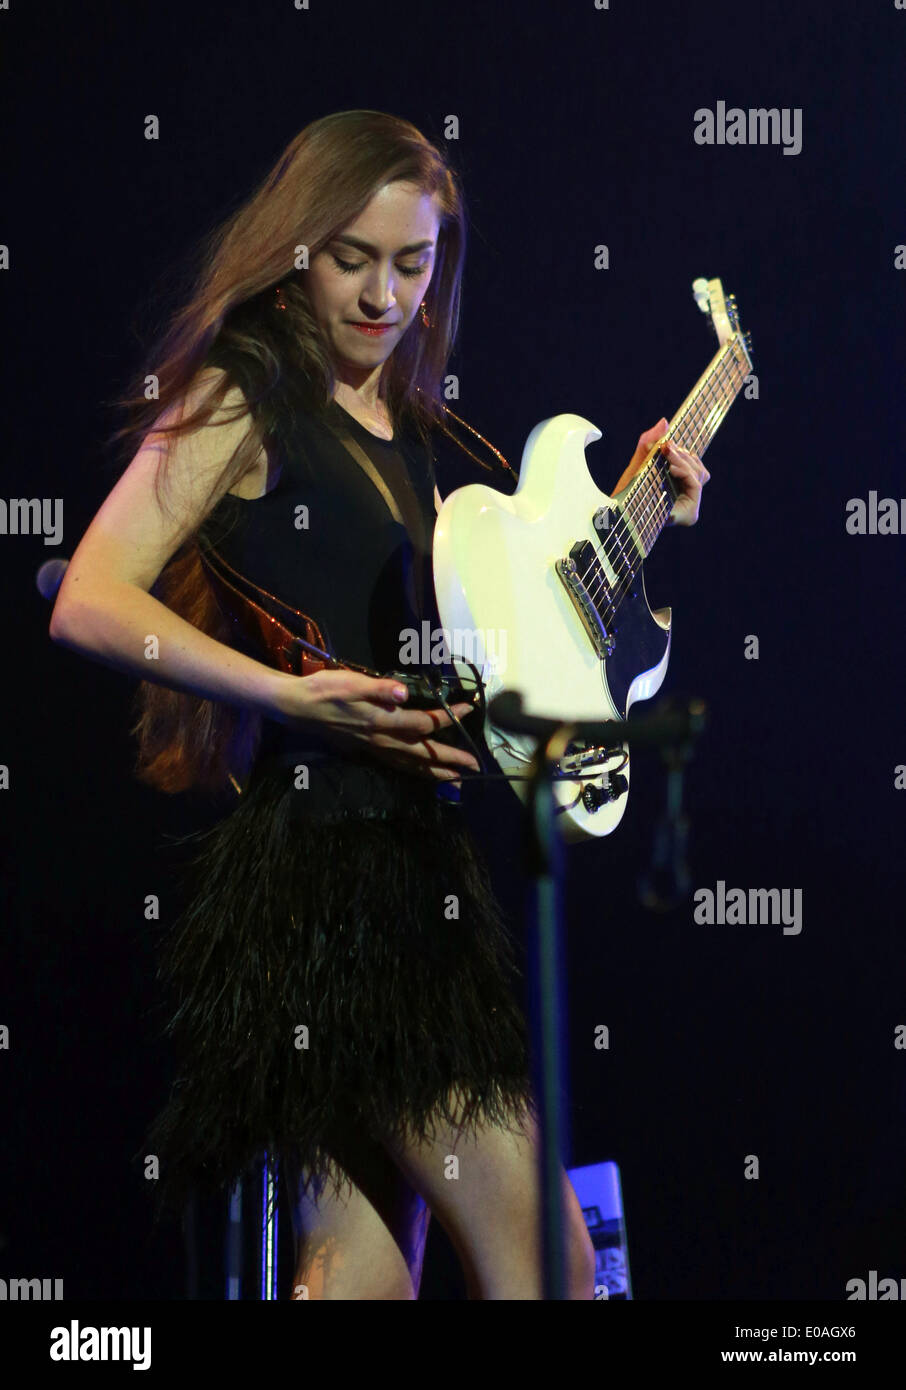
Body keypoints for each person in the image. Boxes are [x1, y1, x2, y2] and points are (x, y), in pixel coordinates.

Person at [48, 110, 709, 1300]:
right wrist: (289, 693)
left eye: (415, 264)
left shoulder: (413, 426)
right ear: (299, 244)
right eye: (354, 256)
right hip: (339, 886)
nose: (384, 293)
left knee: (356, 1279)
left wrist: (643, 512)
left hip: (407, 869)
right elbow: (89, 597)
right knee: (549, 1262)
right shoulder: (246, 388)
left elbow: (509, 636)